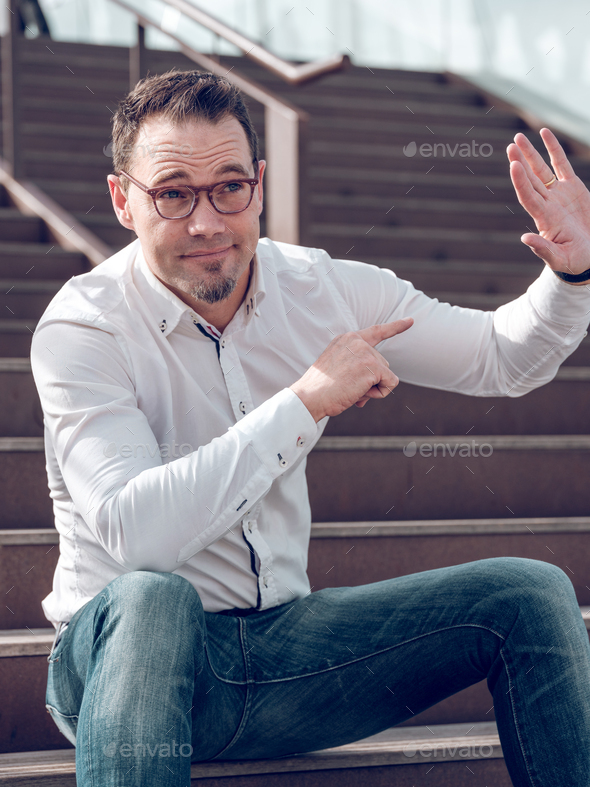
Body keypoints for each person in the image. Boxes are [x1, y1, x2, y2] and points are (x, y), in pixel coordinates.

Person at [32, 70, 590, 786]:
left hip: (280, 661)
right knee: (153, 596)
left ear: (259, 186)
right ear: (122, 200)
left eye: (230, 187)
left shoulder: (323, 289)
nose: (206, 222)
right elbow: (138, 535)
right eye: (172, 194)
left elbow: (498, 358)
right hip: (118, 669)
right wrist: (305, 401)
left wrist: (571, 275)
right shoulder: (84, 325)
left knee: (532, 594)